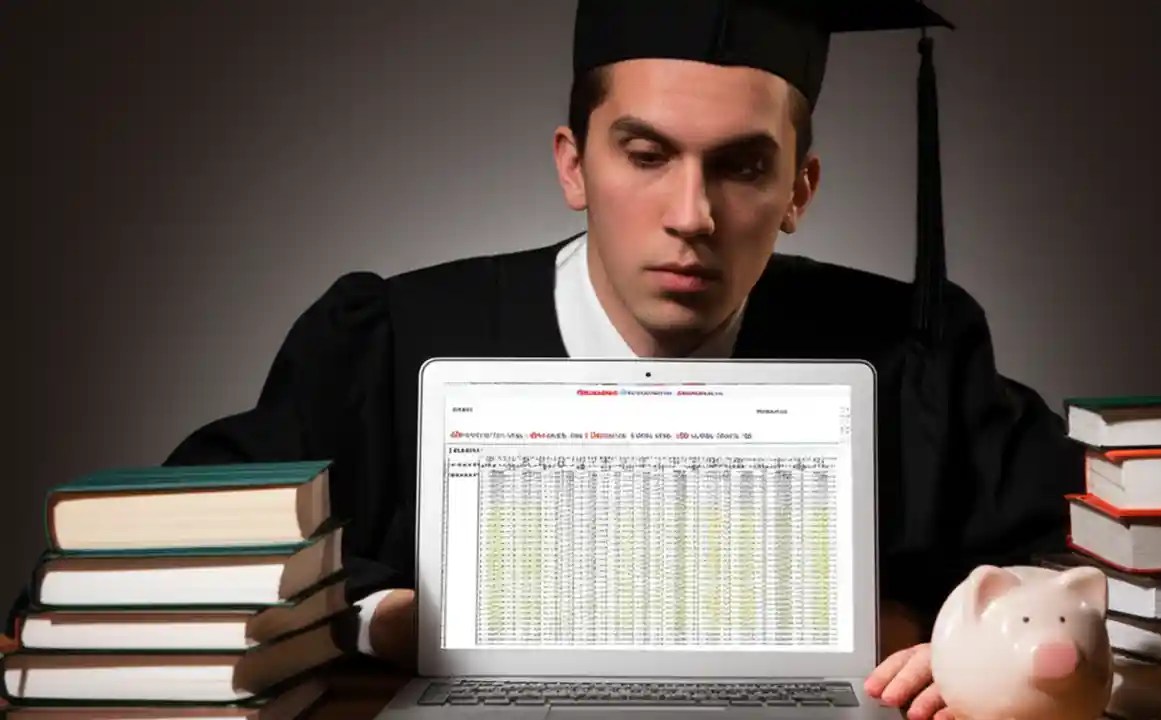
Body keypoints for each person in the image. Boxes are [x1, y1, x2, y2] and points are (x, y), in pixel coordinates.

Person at [7, 2, 1083, 718]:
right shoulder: (388, 342)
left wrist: (962, 642)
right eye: (645, 154)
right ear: (574, 163)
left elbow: (1078, 557)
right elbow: (202, 543)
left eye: (743, 167)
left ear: (799, 188)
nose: (690, 216)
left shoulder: (914, 356)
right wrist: (393, 617)